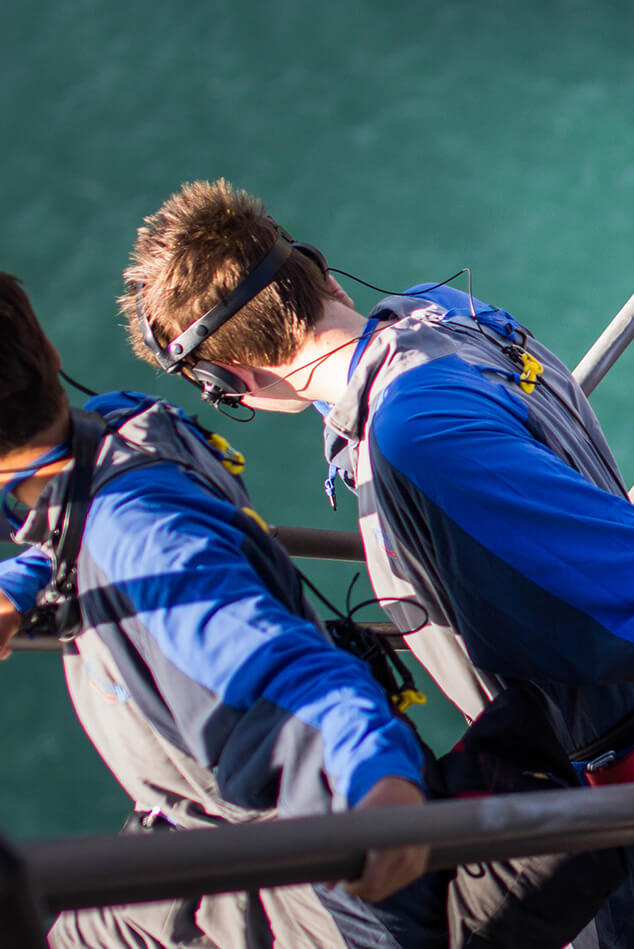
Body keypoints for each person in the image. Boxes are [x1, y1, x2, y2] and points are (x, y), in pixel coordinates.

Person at [118, 181, 634, 949]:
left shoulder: (416, 431)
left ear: (235, 383)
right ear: (322, 275)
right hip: (620, 752)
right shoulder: (441, 316)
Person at [0, 271, 436, 947]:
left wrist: (379, 782)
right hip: (195, 829)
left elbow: (297, 676)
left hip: (290, 876)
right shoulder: (126, 426)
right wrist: (22, 585)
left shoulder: (139, 542)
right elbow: (87, 517)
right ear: (50, 355)